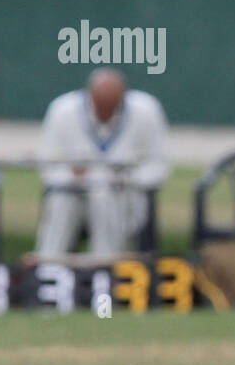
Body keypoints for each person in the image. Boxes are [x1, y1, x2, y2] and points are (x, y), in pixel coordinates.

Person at [35, 68, 170, 255]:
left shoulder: (146, 110)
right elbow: (48, 165)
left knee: (104, 196)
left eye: (111, 108)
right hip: (72, 191)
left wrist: (126, 178)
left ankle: (107, 265)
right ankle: (48, 262)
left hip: (124, 196)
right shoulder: (62, 110)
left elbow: (157, 166)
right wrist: (72, 176)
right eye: (101, 107)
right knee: (61, 200)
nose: (105, 114)